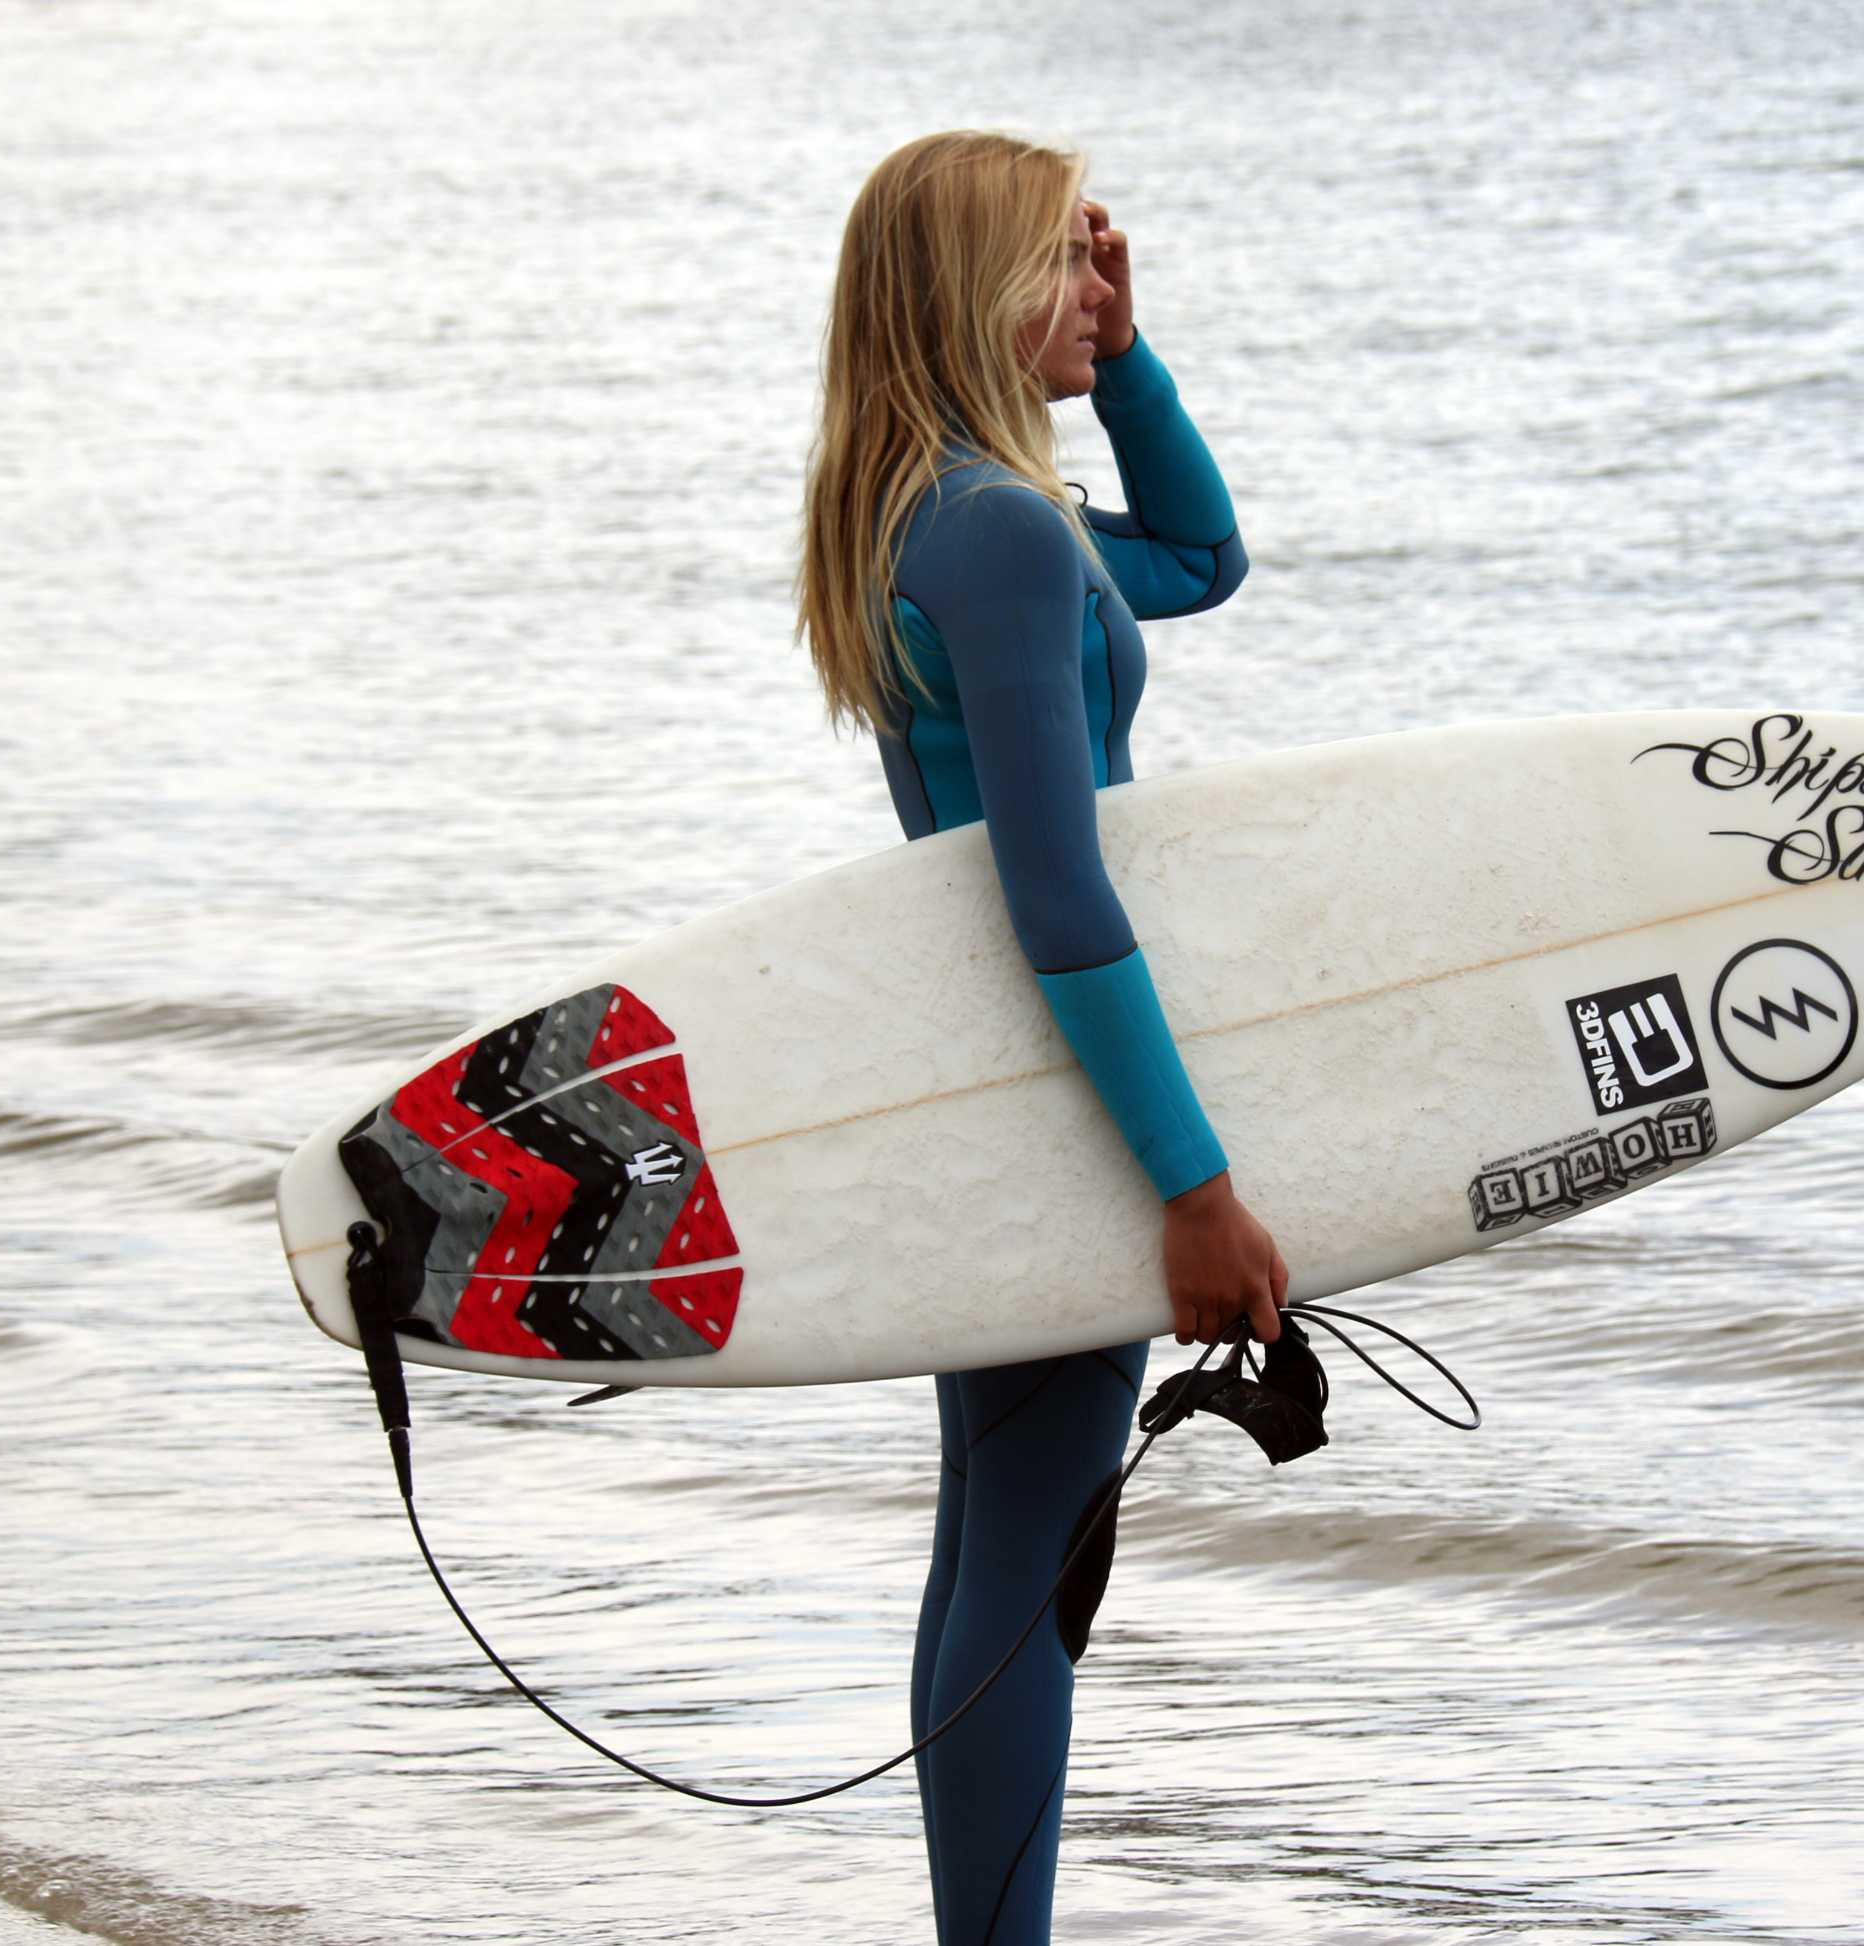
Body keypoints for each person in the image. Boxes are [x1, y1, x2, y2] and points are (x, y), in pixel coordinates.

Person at [794, 130, 1289, 1945]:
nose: (1094, 290)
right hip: (1059, 1093)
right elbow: (1060, 897)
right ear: (972, 291)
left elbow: (1207, 557)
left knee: (997, 1542)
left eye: (1099, 265)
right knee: (1024, 1565)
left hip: (995, 1078)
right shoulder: (999, 537)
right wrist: (1193, 1184)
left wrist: (1135, 356)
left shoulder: (951, 515)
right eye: (1064, 266)